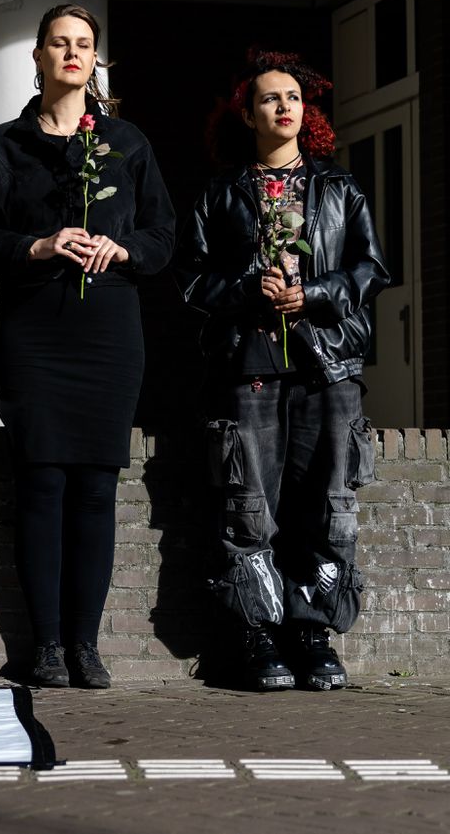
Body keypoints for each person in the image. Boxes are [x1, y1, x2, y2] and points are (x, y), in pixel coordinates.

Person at [0, 4, 175, 689]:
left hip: (109, 337)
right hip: (34, 335)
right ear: (40, 57)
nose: (72, 53)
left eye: (84, 44)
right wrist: (37, 244)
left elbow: (163, 238)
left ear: (94, 59)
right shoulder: (3, 147)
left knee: (94, 490)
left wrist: (125, 246)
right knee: (42, 483)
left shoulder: (128, 144)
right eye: (60, 43)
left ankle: (86, 644)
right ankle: (46, 646)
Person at [177, 49, 389, 691]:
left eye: (294, 97)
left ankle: (313, 632)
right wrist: (248, 288)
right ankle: (259, 636)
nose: (284, 106)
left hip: (328, 362)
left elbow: (370, 268)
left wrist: (315, 294)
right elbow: (190, 282)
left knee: (326, 501)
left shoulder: (340, 187)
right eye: (270, 98)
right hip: (250, 363)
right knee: (250, 503)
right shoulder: (219, 194)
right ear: (246, 112)